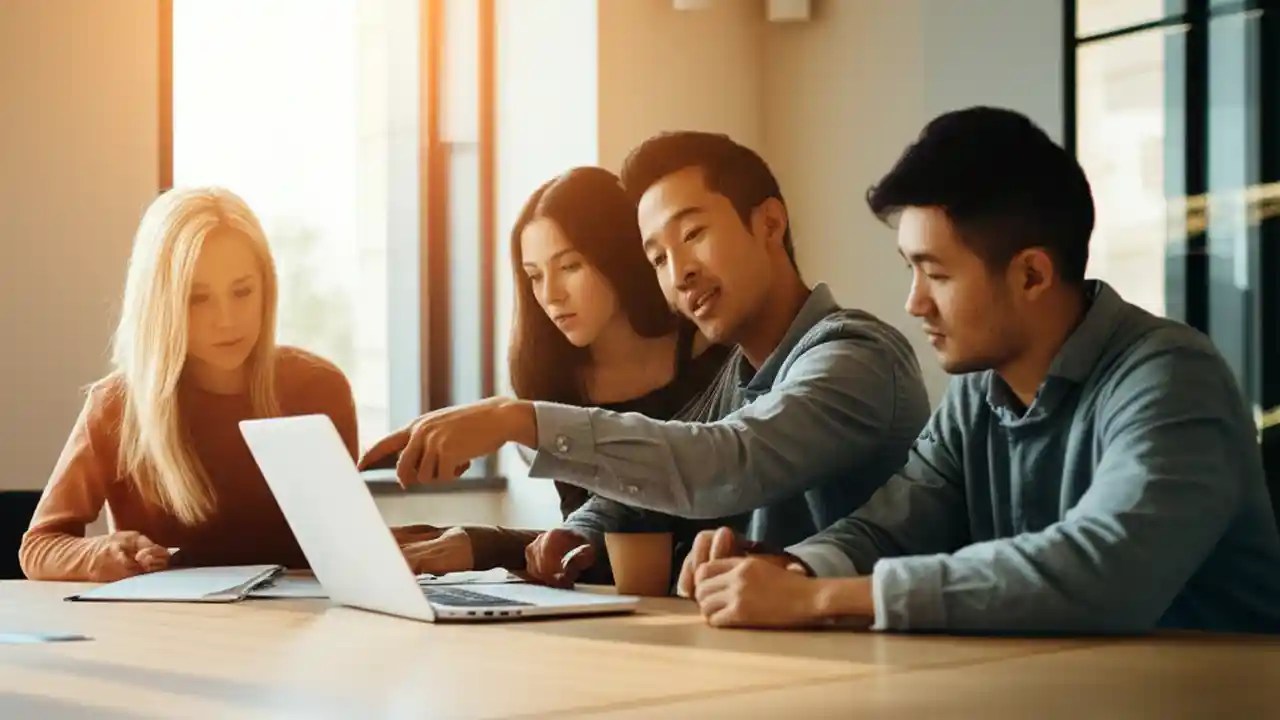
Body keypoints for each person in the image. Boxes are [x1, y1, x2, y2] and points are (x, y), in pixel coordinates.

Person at [679, 107, 1280, 634]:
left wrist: (820, 599)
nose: (914, 302)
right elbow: (892, 528)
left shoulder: (1171, 377)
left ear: (1032, 275)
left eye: (935, 274)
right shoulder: (977, 391)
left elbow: (1106, 570)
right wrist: (793, 567)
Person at [363, 132, 930, 587]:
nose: (678, 272)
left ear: (770, 225)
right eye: (658, 256)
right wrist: (576, 533)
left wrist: (518, 419)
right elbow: (644, 495)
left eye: (695, 233)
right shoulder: (738, 375)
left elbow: (726, 463)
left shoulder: (856, 355)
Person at [390, 167, 731, 580]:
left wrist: (489, 545)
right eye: (535, 276)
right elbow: (593, 544)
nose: (550, 295)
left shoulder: (715, 356)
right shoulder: (551, 380)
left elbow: (665, 526)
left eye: (569, 267)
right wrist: (474, 544)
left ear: (619, 256)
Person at [20, 187, 358, 582]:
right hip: (167, 632)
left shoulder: (319, 389)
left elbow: (348, 544)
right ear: (160, 304)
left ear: (267, 287)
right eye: (198, 299)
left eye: (243, 291)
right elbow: (40, 545)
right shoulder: (116, 405)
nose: (227, 319)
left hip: (304, 629)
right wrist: (99, 554)